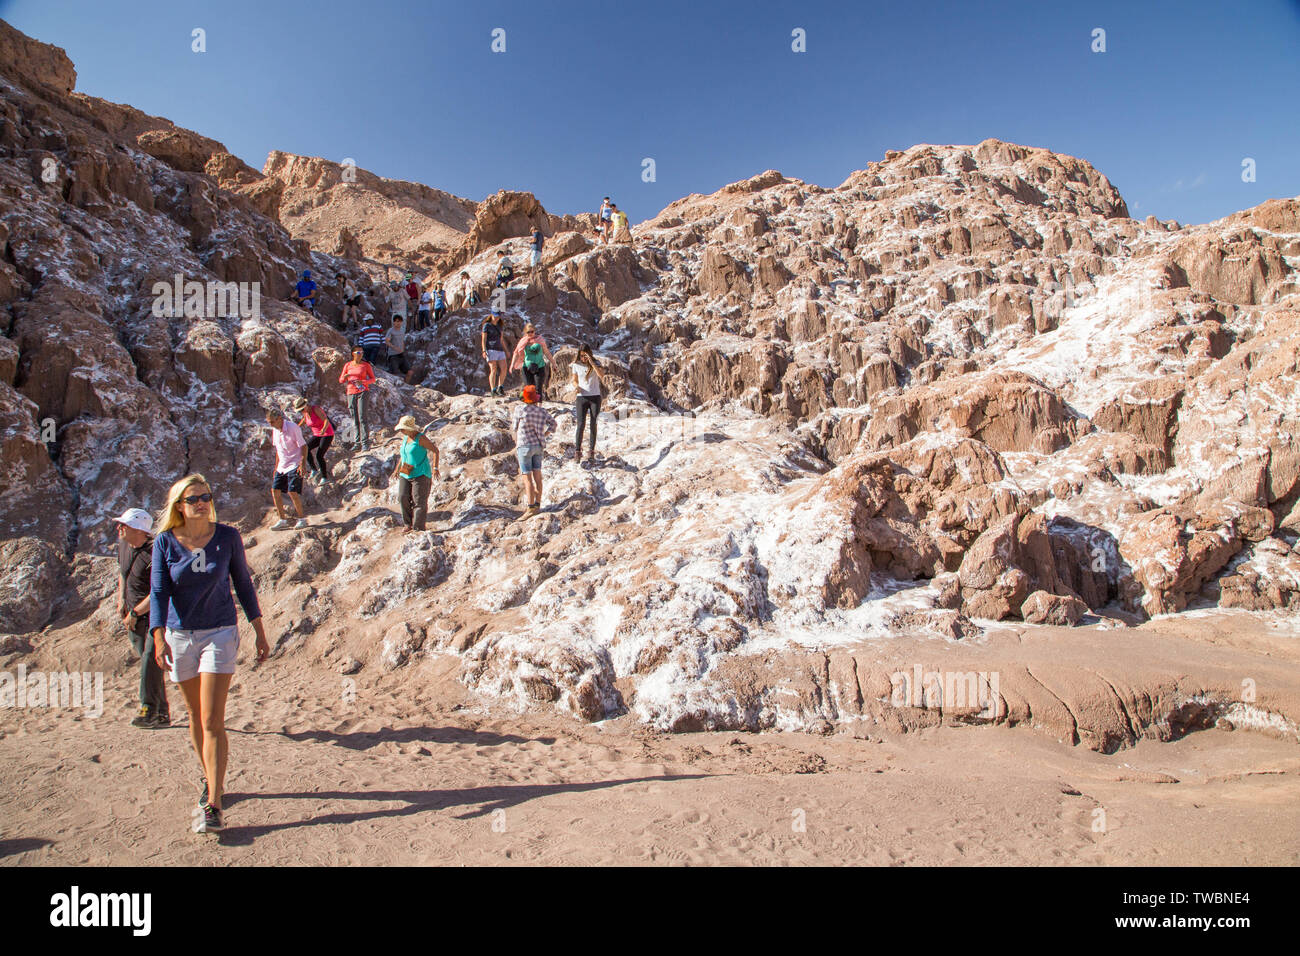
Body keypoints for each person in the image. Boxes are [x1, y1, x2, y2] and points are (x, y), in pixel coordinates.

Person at [150, 474, 268, 834]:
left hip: (220, 631)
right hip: (181, 634)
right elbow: (158, 593)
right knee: (195, 715)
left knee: (213, 719)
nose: (201, 502)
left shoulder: (228, 537)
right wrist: (158, 638)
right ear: (179, 507)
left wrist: (259, 630)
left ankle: (214, 803)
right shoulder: (165, 542)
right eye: (193, 498)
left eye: (206, 496)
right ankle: (209, 777)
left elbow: (243, 585)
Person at [114, 507, 168, 729]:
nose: (119, 528)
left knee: (149, 659)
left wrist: (136, 611)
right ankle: (162, 713)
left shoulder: (155, 552)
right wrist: (121, 601)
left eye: (123, 525)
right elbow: (122, 573)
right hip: (132, 617)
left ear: (137, 529)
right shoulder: (124, 546)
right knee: (151, 666)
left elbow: (158, 590)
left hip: (153, 617)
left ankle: (147, 709)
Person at [389, 415, 440, 533]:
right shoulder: (406, 438)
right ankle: (407, 524)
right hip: (405, 472)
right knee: (403, 497)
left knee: (419, 501)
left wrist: (435, 468)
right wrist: (397, 469)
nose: (401, 431)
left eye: (403, 428)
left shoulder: (420, 438)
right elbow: (403, 455)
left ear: (410, 428)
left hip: (420, 473)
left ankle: (418, 528)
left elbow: (435, 450)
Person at [511, 385, 556, 515]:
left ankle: (530, 508)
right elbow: (553, 424)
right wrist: (544, 435)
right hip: (538, 446)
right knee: (537, 476)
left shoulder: (520, 410)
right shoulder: (542, 412)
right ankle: (537, 504)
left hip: (524, 445)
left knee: (527, 478)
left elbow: (514, 427)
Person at [267, 409, 309, 529]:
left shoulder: (293, 427)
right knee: (275, 491)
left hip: (295, 463)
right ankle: (282, 520)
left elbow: (304, 446)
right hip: (282, 465)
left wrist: (303, 464)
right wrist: (276, 467)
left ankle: (302, 519)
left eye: (272, 422)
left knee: (292, 492)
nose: (271, 425)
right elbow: (278, 450)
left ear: (279, 418)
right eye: (269, 422)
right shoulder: (275, 430)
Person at [570, 345, 607, 463]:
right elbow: (574, 380)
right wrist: (577, 387)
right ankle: (577, 451)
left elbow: (602, 376)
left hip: (595, 397)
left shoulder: (596, 363)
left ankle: (591, 451)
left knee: (593, 424)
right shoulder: (576, 365)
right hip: (582, 397)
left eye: (585, 355)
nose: (583, 358)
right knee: (580, 424)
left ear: (589, 354)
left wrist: (591, 362)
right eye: (581, 355)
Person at [339, 345, 377, 450]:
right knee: (354, 418)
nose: (361, 354)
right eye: (358, 352)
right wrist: (345, 377)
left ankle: (365, 442)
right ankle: (357, 443)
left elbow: (373, 379)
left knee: (362, 417)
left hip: (363, 391)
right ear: (353, 353)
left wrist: (363, 382)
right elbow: (341, 380)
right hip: (351, 392)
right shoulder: (348, 365)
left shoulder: (366, 365)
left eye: (362, 352)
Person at [293, 396, 334, 482]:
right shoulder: (305, 413)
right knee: (305, 448)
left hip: (327, 433)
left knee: (319, 455)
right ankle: (314, 469)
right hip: (317, 434)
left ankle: (324, 477)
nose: (301, 411)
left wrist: (323, 429)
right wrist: (294, 429)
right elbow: (303, 422)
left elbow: (326, 420)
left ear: (306, 405)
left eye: (302, 409)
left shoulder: (316, 409)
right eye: (300, 411)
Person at [510, 323, 555, 399]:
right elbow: (516, 353)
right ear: (525, 332)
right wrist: (512, 365)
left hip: (539, 366)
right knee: (529, 388)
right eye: (528, 332)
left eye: (532, 331)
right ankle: (530, 406)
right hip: (526, 367)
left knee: (538, 388)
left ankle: (538, 407)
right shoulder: (523, 342)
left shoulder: (540, 340)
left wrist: (553, 363)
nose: (530, 333)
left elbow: (546, 352)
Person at [481, 311, 510, 396]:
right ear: (491, 315)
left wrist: (506, 350)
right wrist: (484, 350)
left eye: (498, 316)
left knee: (504, 368)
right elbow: (483, 339)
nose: (497, 318)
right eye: (495, 316)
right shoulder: (486, 325)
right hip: (490, 349)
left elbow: (501, 340)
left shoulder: (499, 326)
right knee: (493, 368)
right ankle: (493, 390)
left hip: (499, 349)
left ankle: (500, 387)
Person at [386, 315, 414, 383]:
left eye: (400, 321)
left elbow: (402, 341)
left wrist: (403, 349)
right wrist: (394, 347)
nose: (399, 323)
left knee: (410, 372)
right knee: (394, 374)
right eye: (397, 321)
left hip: (401, 354)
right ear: (394, 322)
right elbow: (387, 341)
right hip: (393, 355)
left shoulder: (402, 330)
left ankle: (405, 386)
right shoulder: (391, 330)